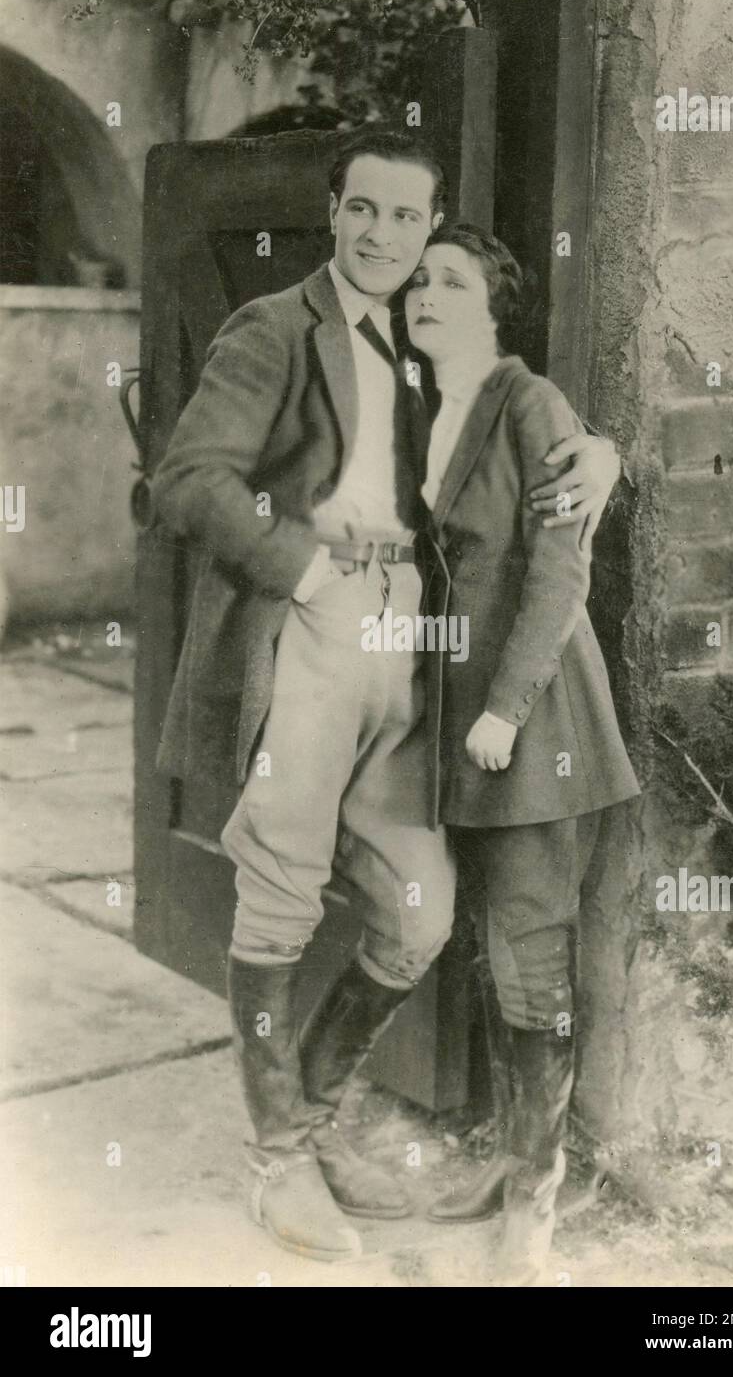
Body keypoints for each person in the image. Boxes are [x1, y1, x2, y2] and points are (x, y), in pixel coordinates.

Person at [150, 131, 622, 1266]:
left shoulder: (421, 346)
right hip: (314, 626)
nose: (380, 236)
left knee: (417, 912)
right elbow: (185, 480)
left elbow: (513, 421)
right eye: (361, 211)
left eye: (404, 220)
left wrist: (602, 452)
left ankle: (311, 1120)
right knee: (277, 896)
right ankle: (280, 1156)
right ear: (331, 210)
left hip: (415, 649)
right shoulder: (273, 325)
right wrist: (302, 564)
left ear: (426, 230)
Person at [403, 223, 641, 1285]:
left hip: (534, 724)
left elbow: (558, 571)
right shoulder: (416, 409)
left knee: (529, 962)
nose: (424, 294)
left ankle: (530, 1215)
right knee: (479, 946)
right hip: (458, 728)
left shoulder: (527, 402)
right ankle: (509, 1167)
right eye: (415, 281)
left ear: (494, 306)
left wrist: (499, 709)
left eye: (450, 280)